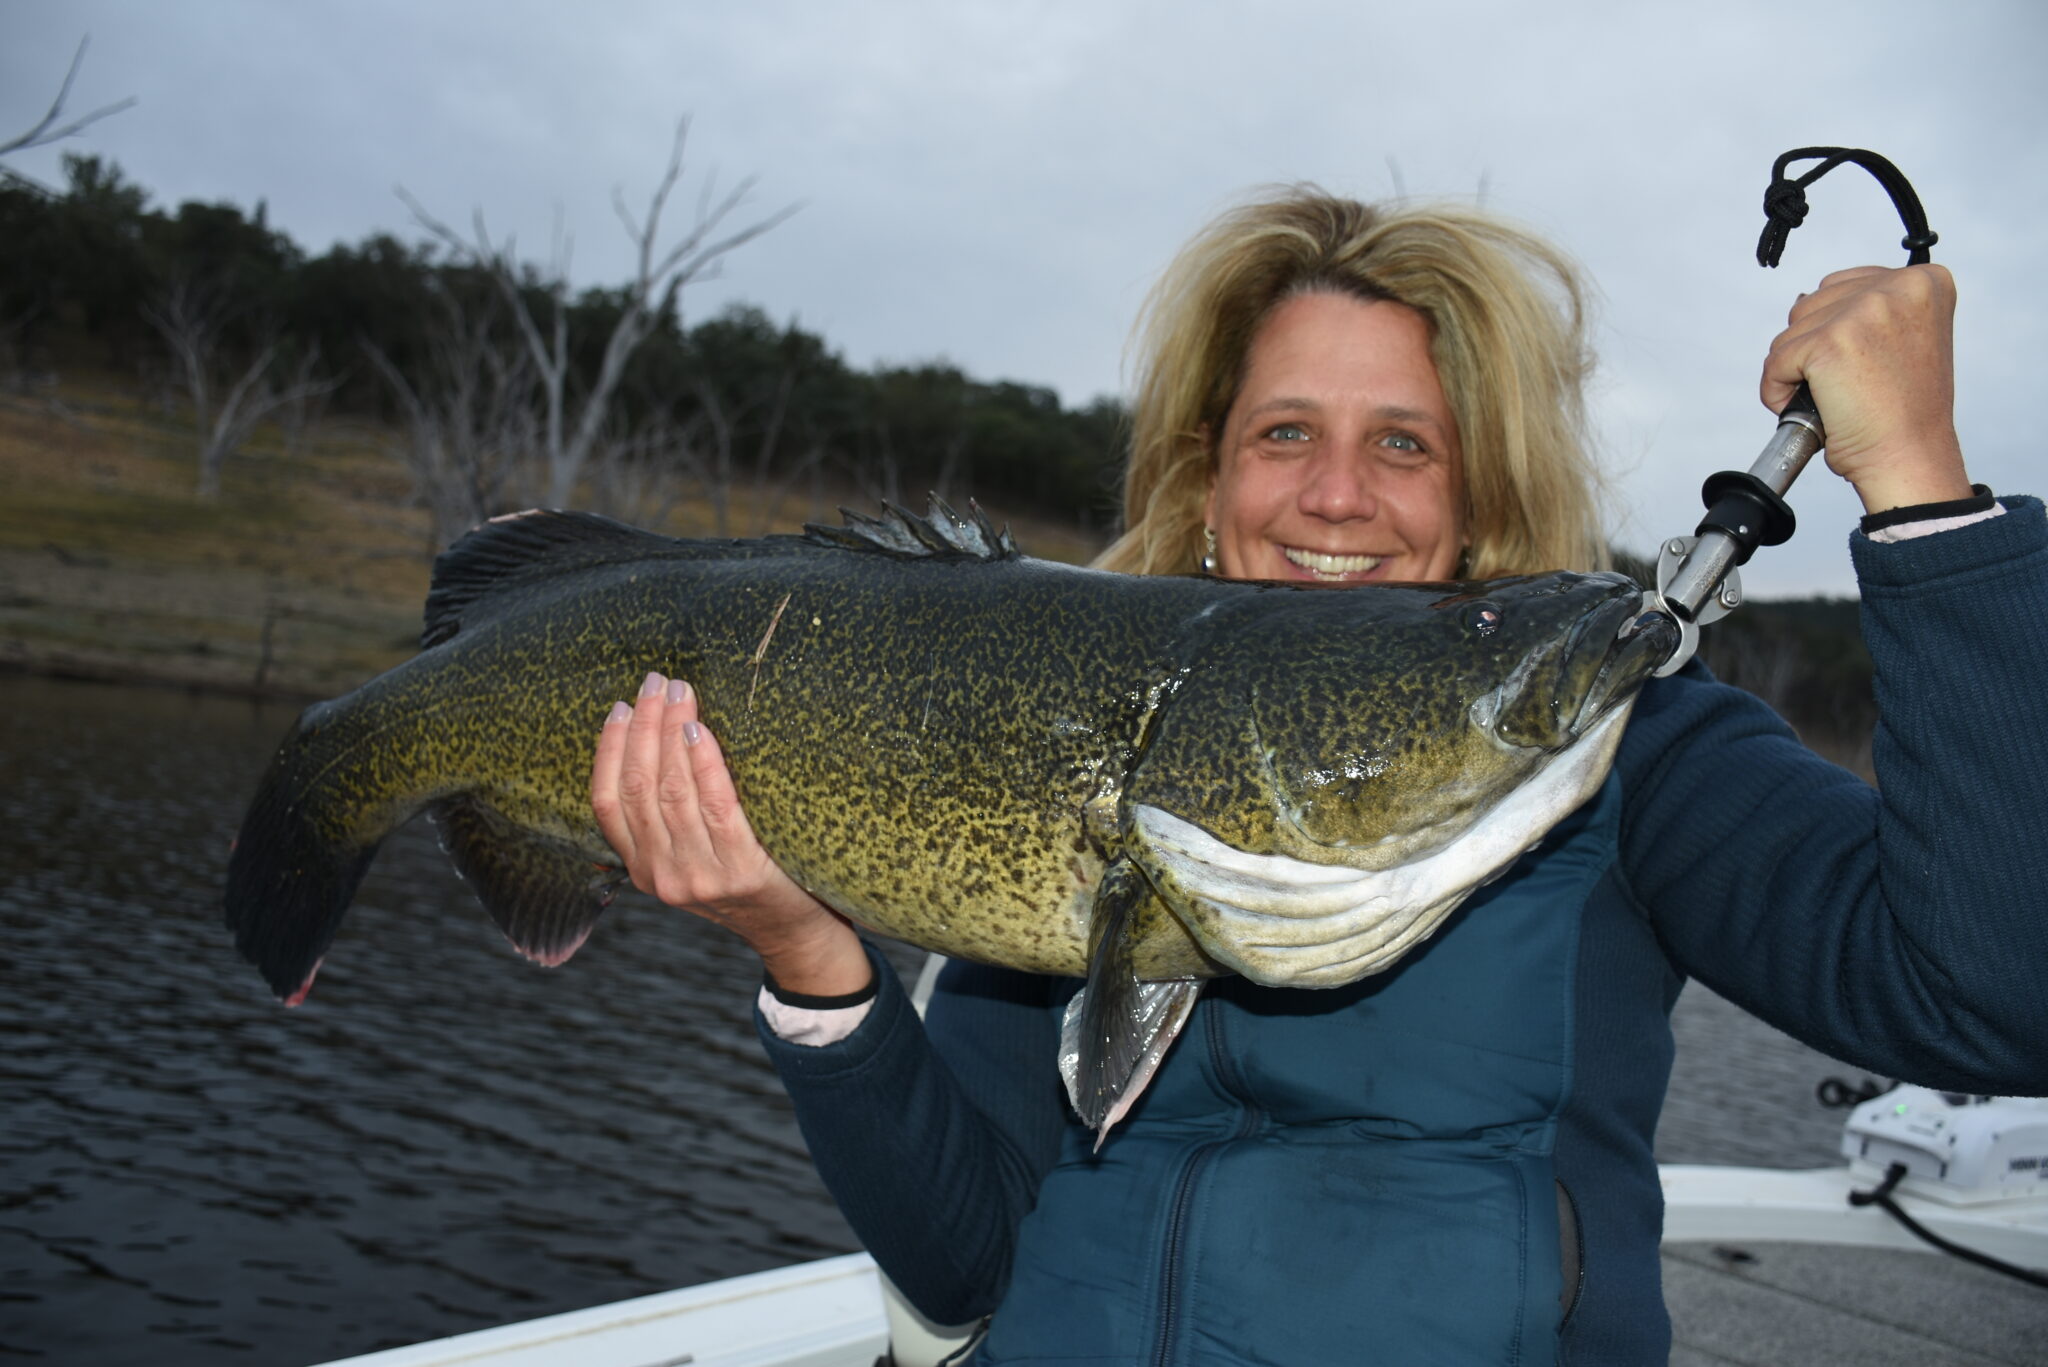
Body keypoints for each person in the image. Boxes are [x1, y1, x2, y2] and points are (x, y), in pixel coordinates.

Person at [589, 190, 2048, 1365]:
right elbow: (965, 1258)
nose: (1335, 496)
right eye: (1286, 432)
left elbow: (1995, 998)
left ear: (1483, 488)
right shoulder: (1082, 742)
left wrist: (1921, 485)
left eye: (1403, 444)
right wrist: (810, 964)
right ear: (1207, 472)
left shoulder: (1632, 750)